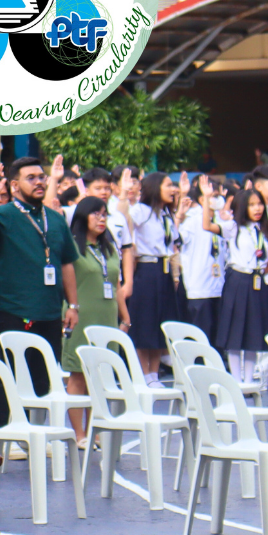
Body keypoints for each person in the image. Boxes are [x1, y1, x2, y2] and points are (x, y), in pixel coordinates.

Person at [0, 158, 78, 426]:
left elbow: (66, 262)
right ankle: (6, 432)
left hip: (50, 310)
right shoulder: (4, 213)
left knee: (44, 378)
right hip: (14, 308)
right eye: (31, 177)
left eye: (42, 176)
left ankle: (36, 432)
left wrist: (73, 306)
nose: (40, 181)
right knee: (12, 373)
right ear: (15, 185)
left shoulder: (54, 217)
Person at [60, 196, 131, 446]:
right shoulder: (72, 247)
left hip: (107, 317)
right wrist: (71, 307)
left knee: (100, 376)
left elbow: (116, 283)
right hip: (81, 316)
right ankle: (78, 433)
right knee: (78, 375)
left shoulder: (108, 247)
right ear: (82, 217)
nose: (102, 219)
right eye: (96, 214)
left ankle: (94, 431)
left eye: (105, 215)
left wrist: (125, 317)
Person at [123, 170, 185, 378]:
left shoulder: (165, 213)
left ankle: (154, 373)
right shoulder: (142, 210)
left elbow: (172, 243)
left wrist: (175, 276)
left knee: (162, 321)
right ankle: (143, 373)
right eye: (168, 185)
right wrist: (125, 193)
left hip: (164, 270)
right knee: (145, 321)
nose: (173, 189)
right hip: (147, 269)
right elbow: (126, 220)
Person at [217, 187, 268, 382]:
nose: (257, 208)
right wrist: (206, 199)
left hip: (258, 281)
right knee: (236, 332)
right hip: (238, 279)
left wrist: (261, 272)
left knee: (254, 333)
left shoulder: (264, 231)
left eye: (260, 204)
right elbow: (208, 226)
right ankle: (236, 380)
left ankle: (248, 380)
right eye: (252, 204)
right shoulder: (234, 227)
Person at [178, 175, 226, 335]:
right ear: (201, 198)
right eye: (214, 196)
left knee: (217, 336)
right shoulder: (192, 220)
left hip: (218, 287)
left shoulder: (222, 221)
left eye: (219, 196)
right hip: (199, 288)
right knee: (201, 335)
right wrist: (180, 214)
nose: (218, 200)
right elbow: (176, 239)